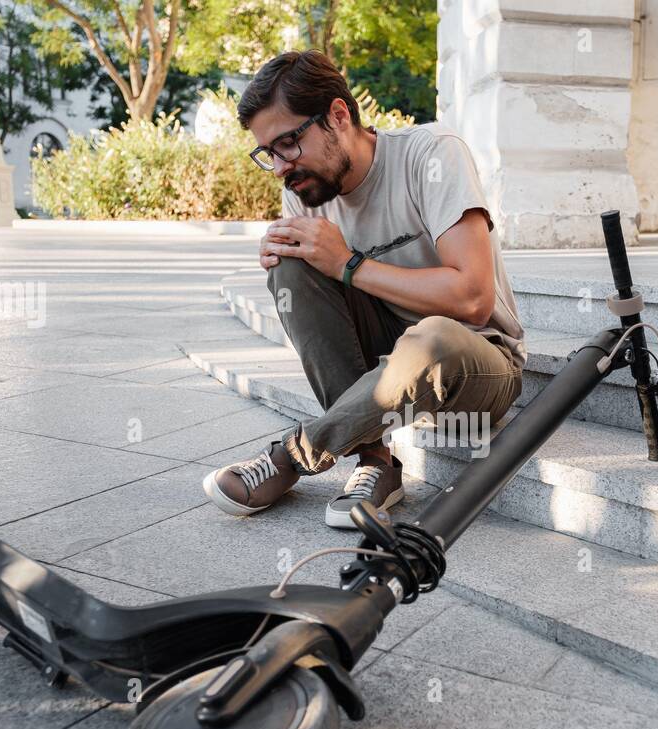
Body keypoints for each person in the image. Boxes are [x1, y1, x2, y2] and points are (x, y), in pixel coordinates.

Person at [201, 49, 528, 528]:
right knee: (291, 269)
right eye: (267, 153)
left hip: (476, 362)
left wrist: (349, 263)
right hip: (386, 358)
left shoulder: (431, 154)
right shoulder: (302, 189)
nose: (279, 167)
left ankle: (294, 455)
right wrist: (299, 260)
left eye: (288, 143)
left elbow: (474, 300)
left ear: (337, 115)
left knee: (433, 336)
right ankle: (377, 461)